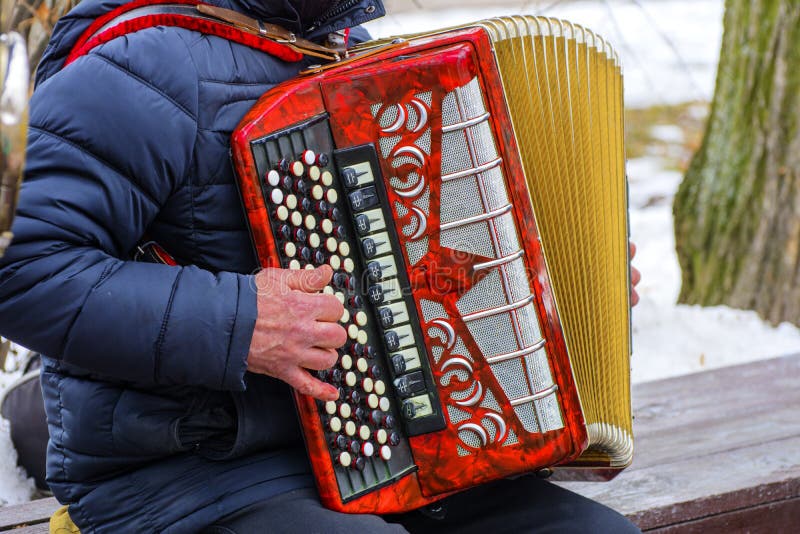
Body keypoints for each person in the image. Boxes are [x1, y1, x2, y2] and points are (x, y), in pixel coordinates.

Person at [0, 0, 642, 532]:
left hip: (393, 452)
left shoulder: (351, 55)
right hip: (195, 473)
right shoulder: (130, 69)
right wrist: (243, 321)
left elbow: (413, 264)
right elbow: (23, 272)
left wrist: (556, 290)